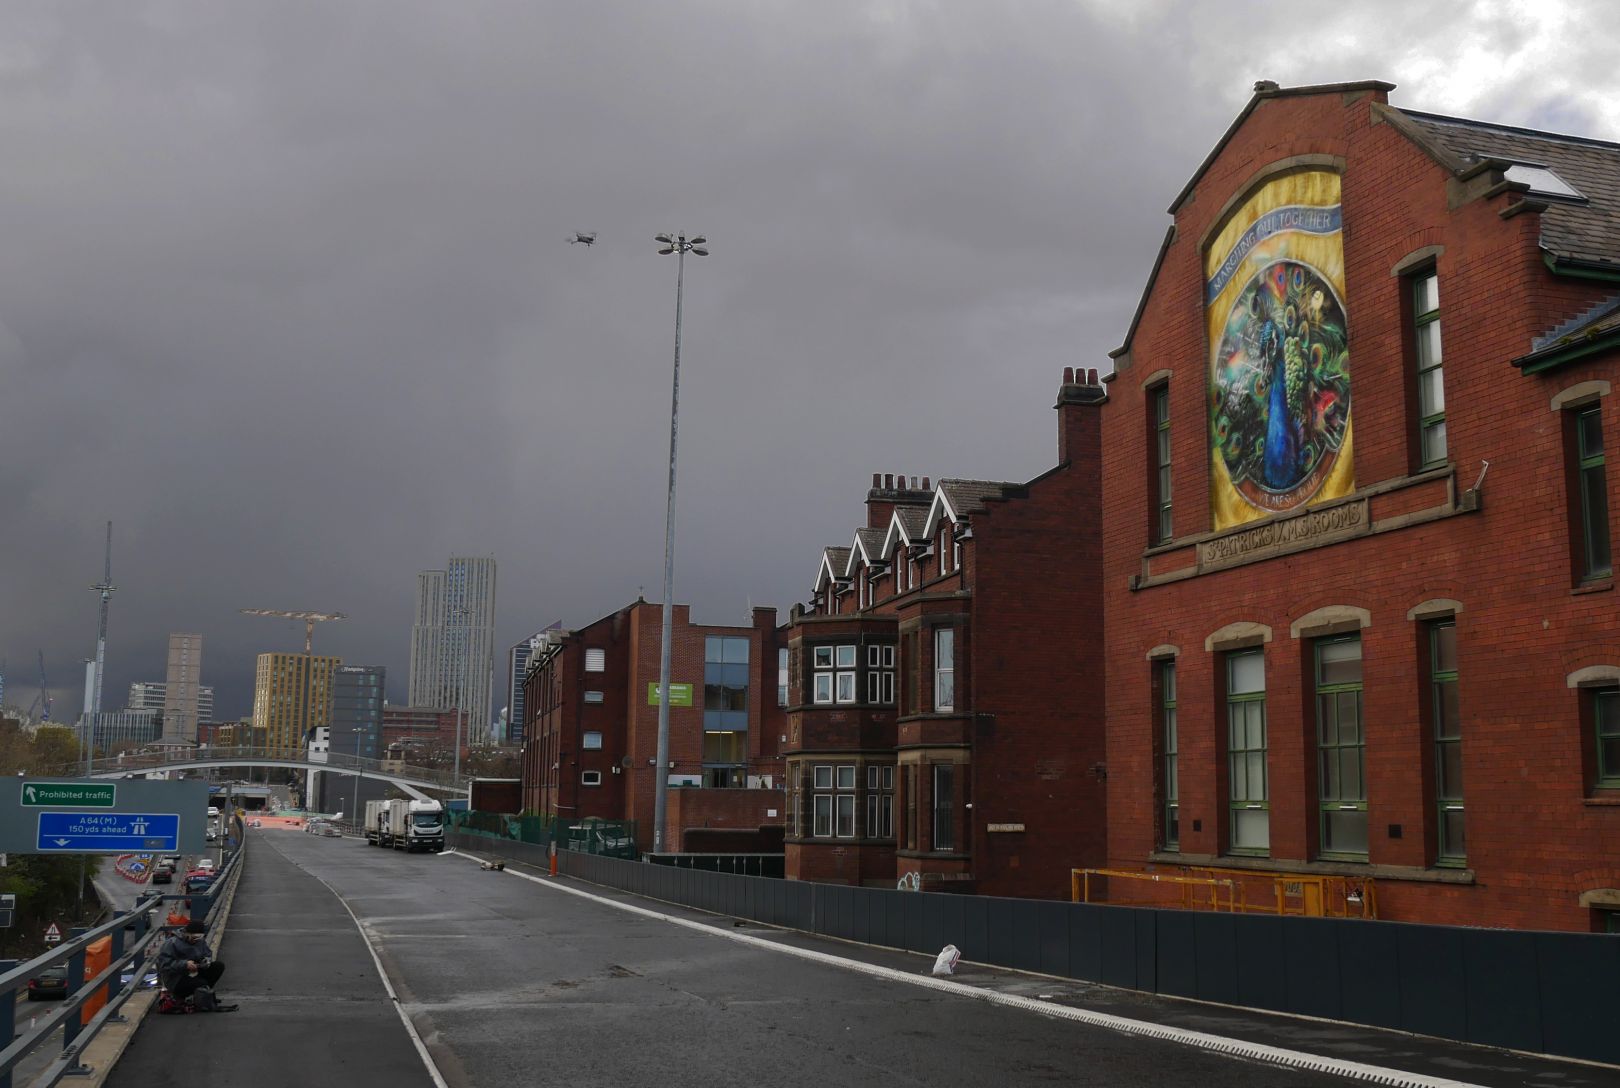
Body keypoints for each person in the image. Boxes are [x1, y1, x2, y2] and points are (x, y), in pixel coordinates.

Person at [157, 920, 236, 1011]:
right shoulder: (172, 943)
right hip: (177, 978)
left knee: (218, 966)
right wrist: (185, 964)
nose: (195, 940)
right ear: (187, 933)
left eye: (198, 938)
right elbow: (163, 965)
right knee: (202, 983)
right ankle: (188, 994)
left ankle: (203, 994)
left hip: (194, 971)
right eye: (193, 937)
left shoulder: (200, 942)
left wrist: (205, 961)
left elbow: (207, 954)